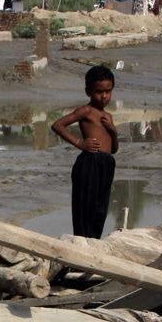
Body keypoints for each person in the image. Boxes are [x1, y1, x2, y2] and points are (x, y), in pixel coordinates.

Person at [51, 65, 119, 239]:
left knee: (100, 208)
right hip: (90, 162)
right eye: (98, 91)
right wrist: (80, 143)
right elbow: (58, 125)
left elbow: (114, 149)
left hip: (106, 163)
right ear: (88, 91)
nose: (104, 96)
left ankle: (94, 243)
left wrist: (113, 131)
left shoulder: (108, 117)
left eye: (108, 91)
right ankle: (81, 243)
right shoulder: (86, 111)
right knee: (85, 206)